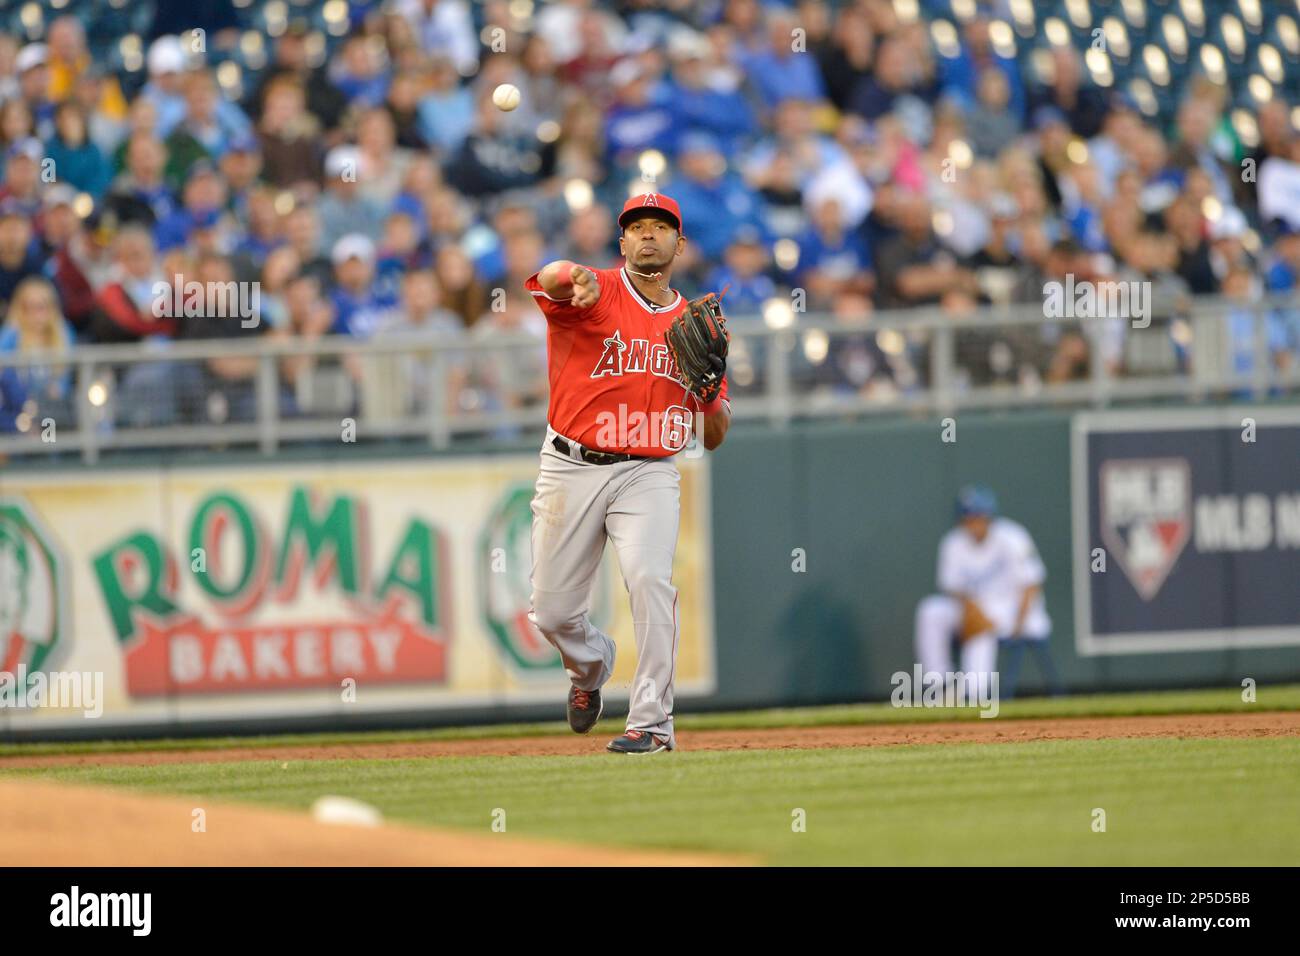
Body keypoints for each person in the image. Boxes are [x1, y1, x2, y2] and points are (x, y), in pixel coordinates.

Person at [523, 191, 731, 754]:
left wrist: (710, 395)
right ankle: (590, 667)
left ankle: (652, 723)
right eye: (636, 226)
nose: (646, 234)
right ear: (621, 242)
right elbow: (548, 276)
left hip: (650, 472)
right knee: (551, 612)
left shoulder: (697, 322)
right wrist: (573, 277)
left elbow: (712, 437)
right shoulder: (592, 289)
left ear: (678, 244)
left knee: (649, 580)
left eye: (659, 227)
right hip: (571, 465)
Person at [914, 486, 1058, 700]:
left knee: (982, 626)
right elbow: (953, 588)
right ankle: (941, 682)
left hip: (1016, 610)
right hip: (975, 606)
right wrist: (971, 610)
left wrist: (1019, 625)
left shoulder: (1012, 536)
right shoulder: (953, 542)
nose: (973, 523)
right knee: (931, 610)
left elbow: (1031, 585)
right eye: (968, 517)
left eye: (978, 516)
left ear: (989, 516)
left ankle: (975, 694)